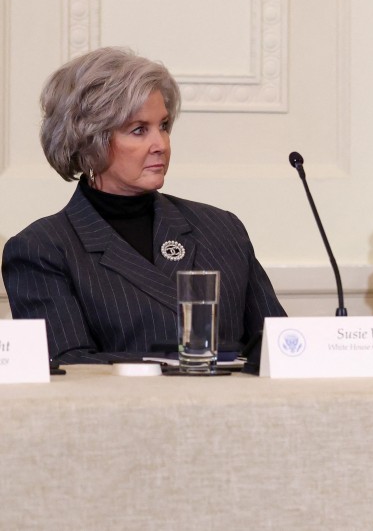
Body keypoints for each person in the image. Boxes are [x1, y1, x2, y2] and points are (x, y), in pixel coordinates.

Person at [1, 47, 286, 364]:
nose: (160, 145)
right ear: (89, 139)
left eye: (163, 126)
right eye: (139, 130)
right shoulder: (42, 249)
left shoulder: (221, 228)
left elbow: (283, 350)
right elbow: (72, 370)